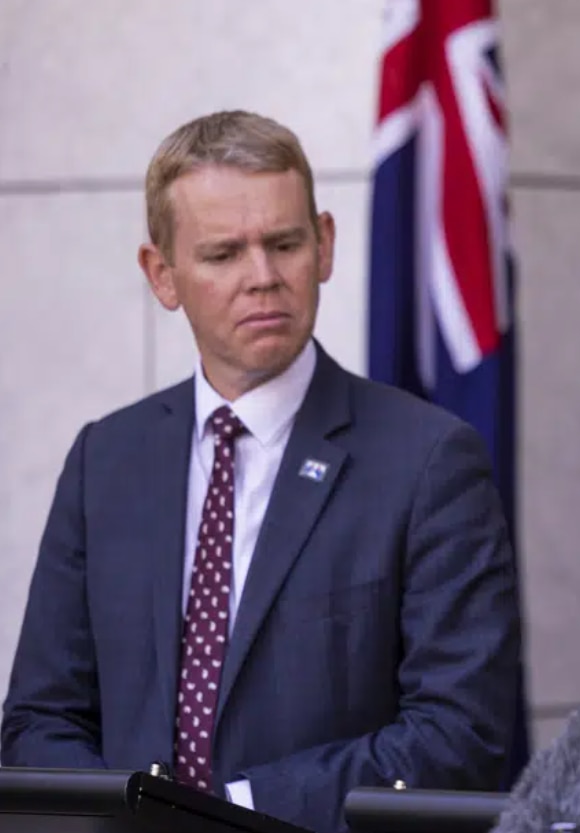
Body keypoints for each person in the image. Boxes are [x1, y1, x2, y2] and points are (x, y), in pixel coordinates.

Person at [1, 110, 523, 833]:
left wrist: (221, 816)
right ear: (163, 274)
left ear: (326, 245)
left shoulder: (429, 461)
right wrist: (131, 820)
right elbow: (38, 720)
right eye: (222, 254)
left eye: (285, 243)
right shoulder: (105, 460)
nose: (264, 277)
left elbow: (460, 735)